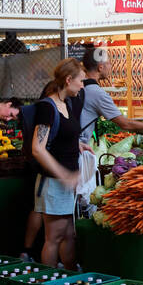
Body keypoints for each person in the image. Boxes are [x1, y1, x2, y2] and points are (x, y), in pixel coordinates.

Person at [31, 59, 86, 269]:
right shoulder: (47, 107)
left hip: (64, 183)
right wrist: (63, 174)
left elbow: (63, 136)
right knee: (54, 237)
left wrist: (78, 145)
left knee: (68, 234)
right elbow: (38, 148)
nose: (82, 85)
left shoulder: (67, 104)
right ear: (68, 79)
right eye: (80, 80)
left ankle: (69, 277)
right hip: (54, 183)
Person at [78, 45, 143, 145]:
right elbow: (125, 124)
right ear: (100, 67)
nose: (110, 66)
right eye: (109, 63)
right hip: (78, 146)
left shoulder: (78, 86)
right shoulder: (97, 93)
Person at [17, 82, 59, 262]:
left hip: (38, 166)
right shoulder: (46, 109)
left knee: (39, 208)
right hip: (43, 167)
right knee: (39, 208)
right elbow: (39, 147)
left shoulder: (39, 109)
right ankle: (27, 253)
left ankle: (29, 252)